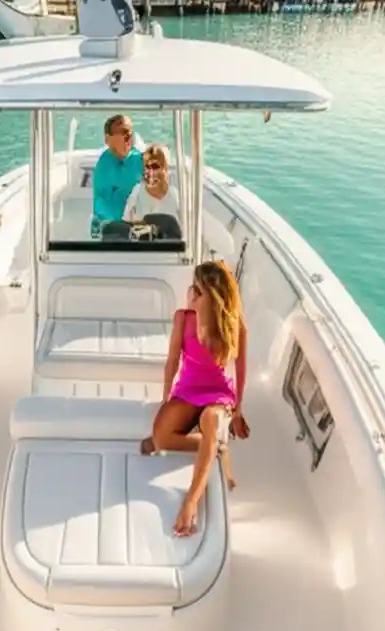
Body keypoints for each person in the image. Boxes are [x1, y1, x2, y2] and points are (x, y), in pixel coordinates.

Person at [140, 260, 251, 537]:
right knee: (161, 437)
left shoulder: (232, 324)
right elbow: (172, 362)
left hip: (217, 393)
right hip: (188, 389)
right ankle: (215, 447)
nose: (191, 293)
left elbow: (239, 368)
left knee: (211, 419)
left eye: (197, 290)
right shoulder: (183, 318)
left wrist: (237, 410)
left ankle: (190, 502)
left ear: (209, 297)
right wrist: (166, 401)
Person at [91, 114, 143, 234]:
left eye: (130, 132)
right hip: (108, 227)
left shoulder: (141, 161)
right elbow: (102, 204)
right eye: (124, 132)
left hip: (135, 227)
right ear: (108, 139)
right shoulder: (104, 163)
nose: (129, 136)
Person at [124, 143, 180, 224]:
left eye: (155, 167)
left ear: (166, 168)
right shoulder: (137, 193)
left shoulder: (176, 196)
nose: (151, 173)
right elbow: (126, 222)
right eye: (147, 167)